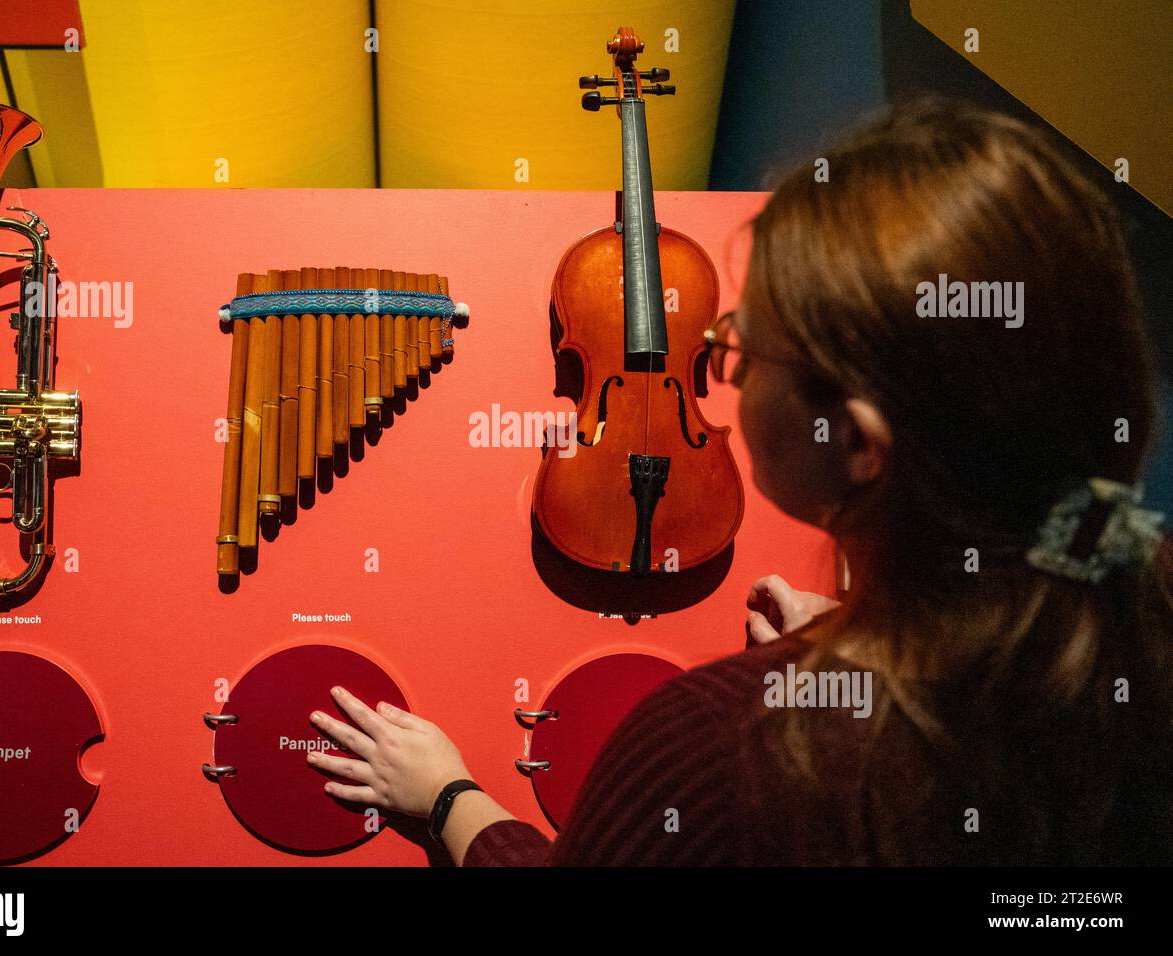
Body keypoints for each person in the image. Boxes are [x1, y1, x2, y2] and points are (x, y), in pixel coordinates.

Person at [306, 98, 1172, 865]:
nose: (718, 369)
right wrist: (863, 636)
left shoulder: (716, 750)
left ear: (859, 445)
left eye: (743, 346)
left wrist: (454, 801)